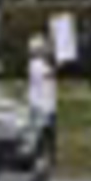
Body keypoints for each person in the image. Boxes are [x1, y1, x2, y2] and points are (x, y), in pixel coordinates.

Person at [26, 34, 59, 163]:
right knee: (42, 134)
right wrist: (59, 63)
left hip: (47, 105)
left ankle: (49, 157)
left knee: (48, 133)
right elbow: (49, 74)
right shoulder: (35, 65)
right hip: (41, 106)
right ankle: (43, 157)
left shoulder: (42, 64)